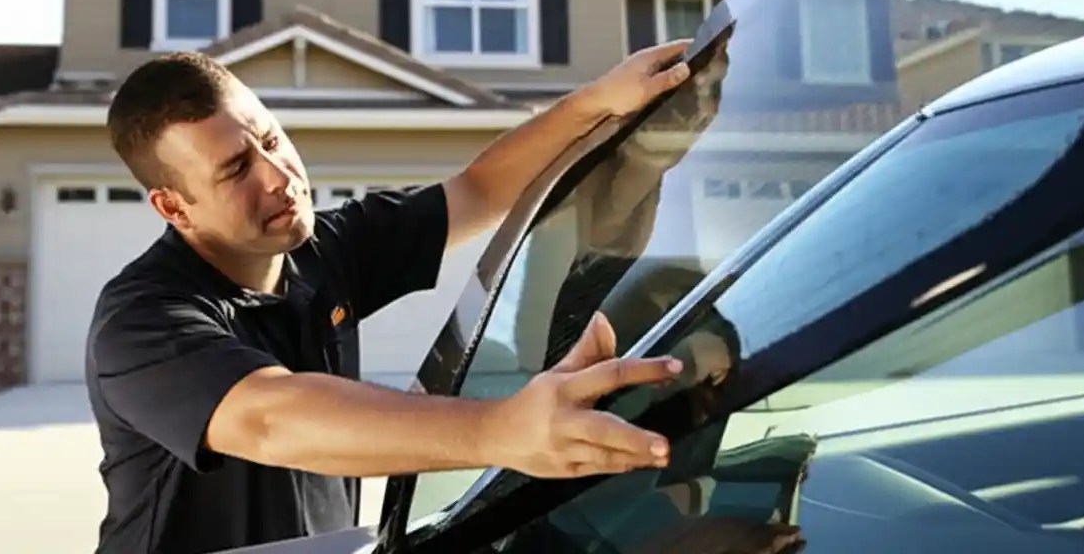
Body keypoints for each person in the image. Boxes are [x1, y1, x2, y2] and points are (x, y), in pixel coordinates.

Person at [85, 40, 696, 553]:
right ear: (173, 207)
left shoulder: (325, 250)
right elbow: (268, 417)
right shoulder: (141, 322)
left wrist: (598, 102)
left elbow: (477, 192)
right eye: (236, 169)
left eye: (271, 141)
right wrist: (500, 431)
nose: (280, 178)